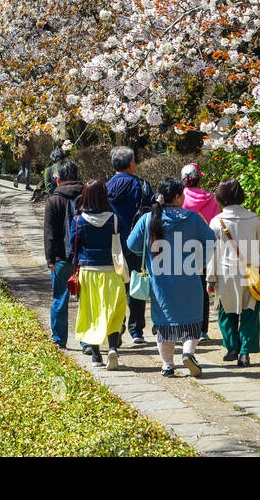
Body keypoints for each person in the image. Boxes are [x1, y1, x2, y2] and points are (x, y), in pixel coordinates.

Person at [127, 177, 216, 378]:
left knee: (163, 322)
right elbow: (211, 240)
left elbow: (132, 245)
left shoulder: (149, 218)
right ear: (177, 197)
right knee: (192, 320)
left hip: (160, 282)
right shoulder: (193, 218)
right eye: (182, 195)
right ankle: (187, 353)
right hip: (190, 278)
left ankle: (167, 365)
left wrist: (148, 254)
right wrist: (199, 261)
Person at [207, 178, 260, 367]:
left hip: (226, 273)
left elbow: (213, 253)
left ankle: (232, 347)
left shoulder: (216, 221)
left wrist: (210, 279)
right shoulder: (253, 218)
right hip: (252, 271)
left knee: (226, 312)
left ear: (220, 196)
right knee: (250, 312)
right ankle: (245, 352)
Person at [71, 180, 130, 368]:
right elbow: (124, 245)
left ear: (85, 196)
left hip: (88, 273)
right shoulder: (114, 219)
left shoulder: (78, 221)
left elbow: (72, 246)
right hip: (112, 271)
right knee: (114, 311)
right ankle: (113, 348)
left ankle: (96, 356)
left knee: (91, 312)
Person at [105, 146, 152, 345]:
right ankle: (137, 330)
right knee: (137, 284)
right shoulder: (142, 185)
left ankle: (118, 324)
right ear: (132, 163)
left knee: (116, 287)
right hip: (137, 243)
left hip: (113, 243)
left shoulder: (105, 187)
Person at [43, 157, 83, 351]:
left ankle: (59, 339)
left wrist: (50, 259)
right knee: (86, 300)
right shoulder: (86, 195)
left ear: (58, 179)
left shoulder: (54, 199)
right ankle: (87, 341)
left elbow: (49, 233)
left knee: (60, 298)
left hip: (60, 257)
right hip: (84, 257)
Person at [181, 162, 220, 340]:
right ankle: (203, 329)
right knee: (204, 289)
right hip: (206, 249)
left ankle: (187, 328)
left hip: (184, 249)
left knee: (185, 288)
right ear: (199, 180)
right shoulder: (210, 198)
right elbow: (216, 220)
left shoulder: (180, 197)